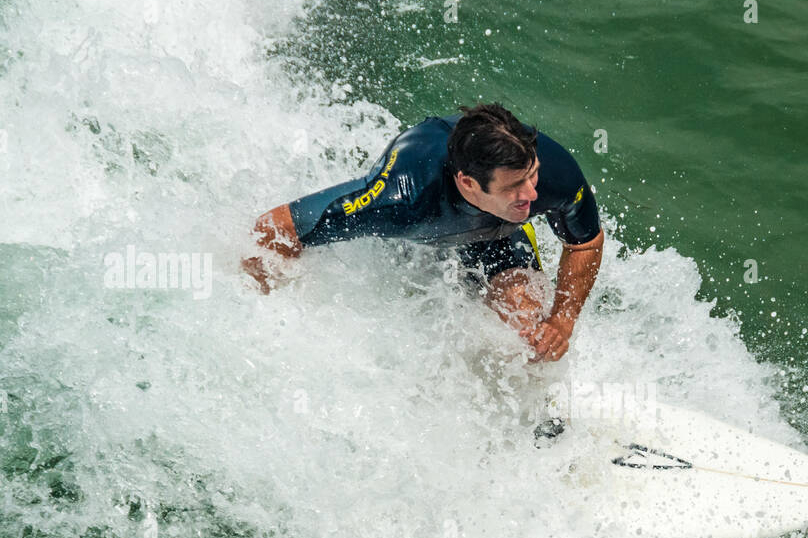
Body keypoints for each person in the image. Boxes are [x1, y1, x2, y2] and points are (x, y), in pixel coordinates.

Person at [243, 102, 604, 363]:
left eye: (532, 175)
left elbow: (585, 242)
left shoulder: (552, 174)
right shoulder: (401, 198)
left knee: (528, 334)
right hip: (420, 236)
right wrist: (271, 315)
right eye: (514, 186)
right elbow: (274, 228)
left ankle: (540, 430)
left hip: (495, 235)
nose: (532, 194)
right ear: (468, 183)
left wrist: (562, 319)